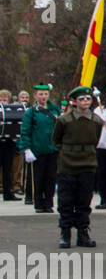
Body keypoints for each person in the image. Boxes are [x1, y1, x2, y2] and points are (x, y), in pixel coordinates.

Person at [52, 86, 103, 248]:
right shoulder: (64, 120)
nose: (85, 101)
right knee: (66, 201)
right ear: (74, 102)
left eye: (88, 99)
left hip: (87, 164)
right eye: (81, 99)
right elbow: (56, 140)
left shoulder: (96, 121)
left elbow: (95, 140)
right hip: (67, 164)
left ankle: (83, 234)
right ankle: (65, 233)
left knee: (84, 201)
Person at [19, 83, 59, 213]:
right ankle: (38, 203)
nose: (43, 97)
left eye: (45, 94)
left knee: (51, 177)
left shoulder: (55, 110)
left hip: (52, 149)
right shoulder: (31, 112)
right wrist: (27, 148)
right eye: (40, 94)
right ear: (35, 96)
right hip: (37, 149)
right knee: (38, 177)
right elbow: (25, 131)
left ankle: (48, 203)